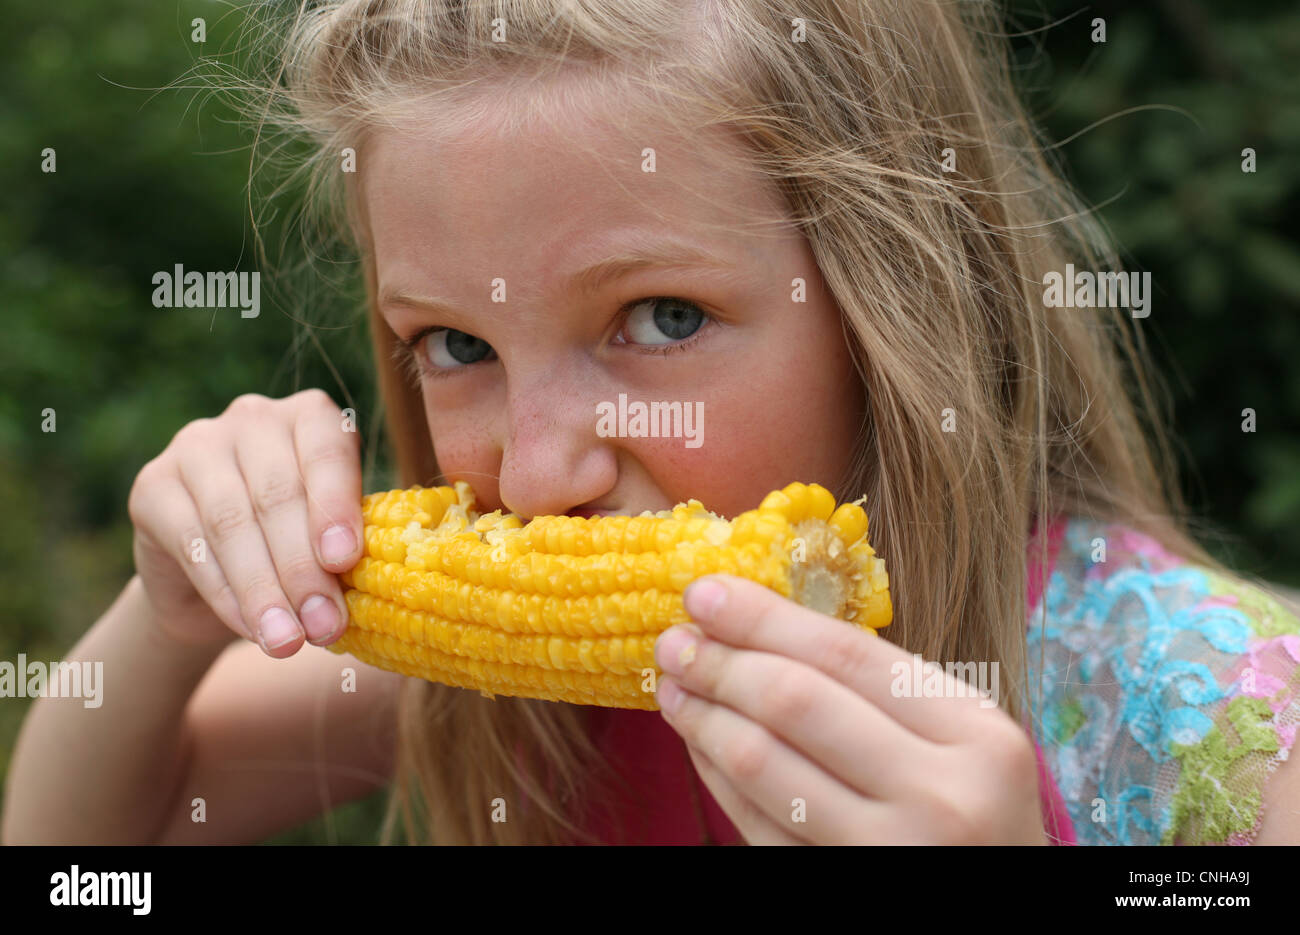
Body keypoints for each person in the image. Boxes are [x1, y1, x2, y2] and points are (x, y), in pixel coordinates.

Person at [5, 0, 1299, 845]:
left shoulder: (1210, 725)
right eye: (456, 345)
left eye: (661, 318)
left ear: (895, 307)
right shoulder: (489, 701)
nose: (538, 470)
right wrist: (169, 621)